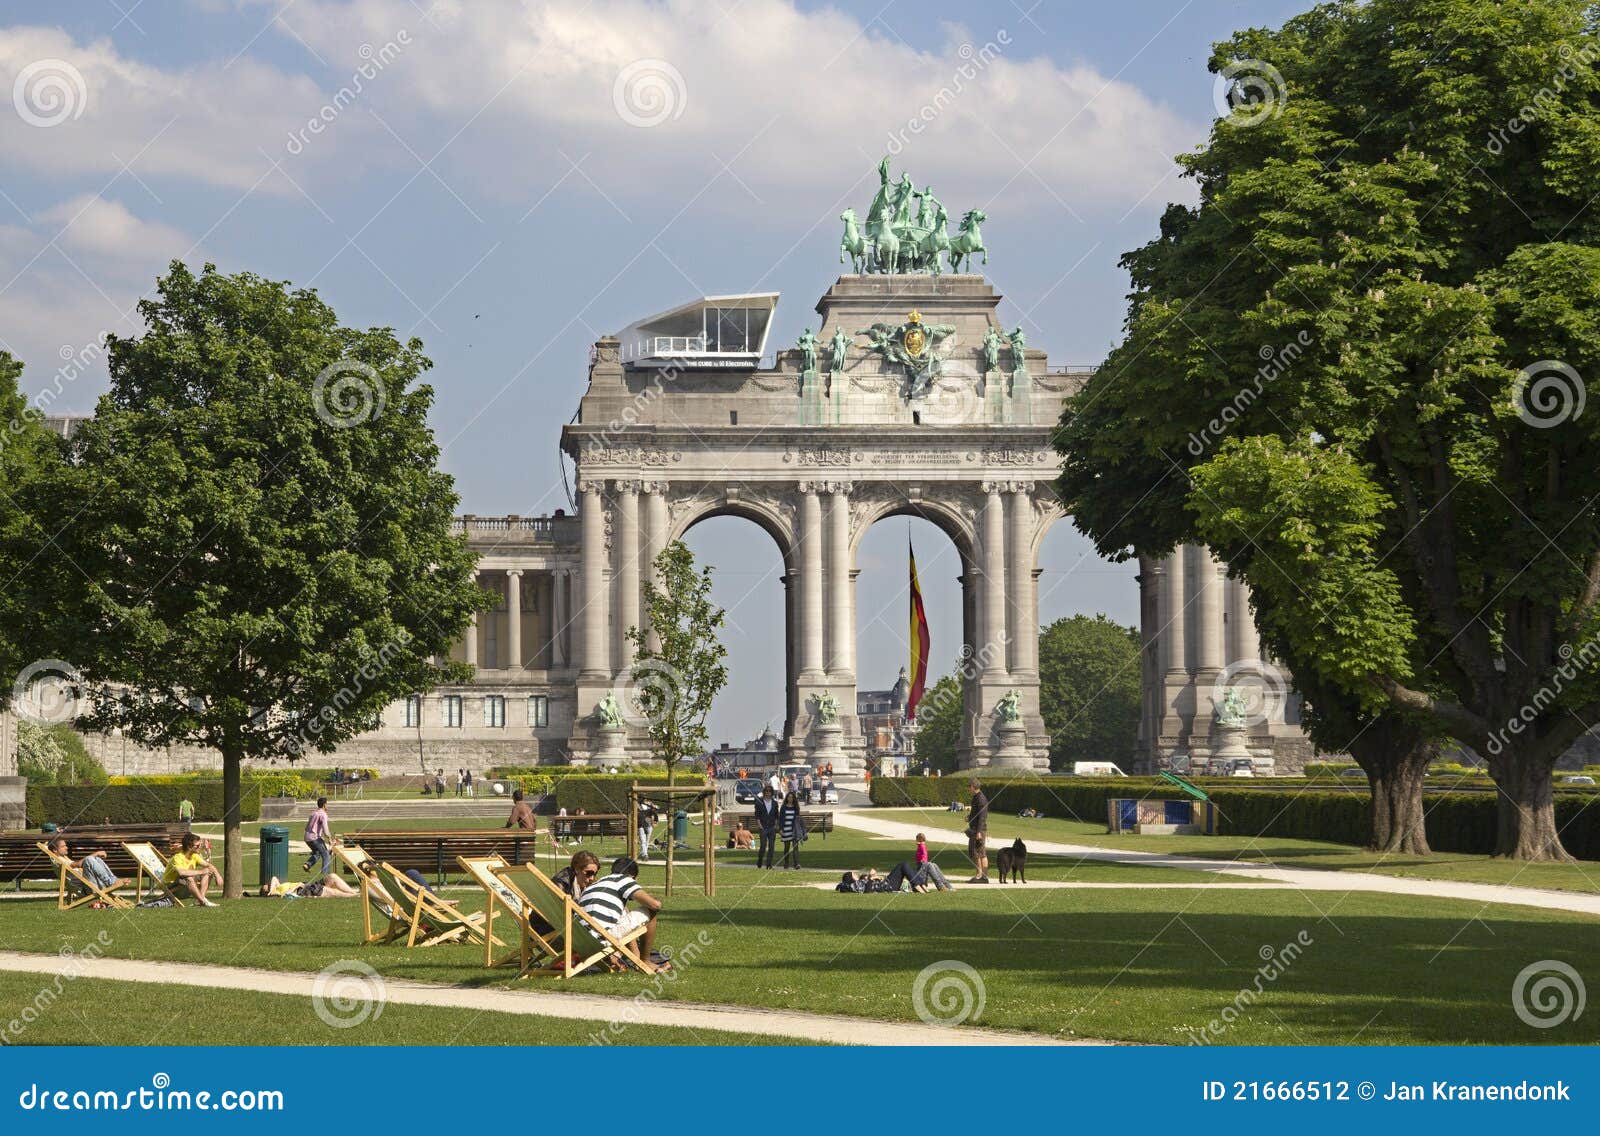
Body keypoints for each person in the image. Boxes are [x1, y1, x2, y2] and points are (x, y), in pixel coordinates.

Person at [580, 856, 662, 965]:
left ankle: (635, 958)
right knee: (651, 911)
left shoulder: (595, 884)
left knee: (623, 911)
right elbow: (655, 905)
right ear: (633, 876)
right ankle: (646, 961)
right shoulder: (624, 879)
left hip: (581, 938)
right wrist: (657, 901)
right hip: (601, 938)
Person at [50, 837, 122, 899]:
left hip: (89, 885)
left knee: (96, 859)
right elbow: (77, 865)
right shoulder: (58, 861)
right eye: (63, 846)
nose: (66, 848)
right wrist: (96, 853)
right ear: (55, 850)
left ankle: (112, 880)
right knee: (89, 859)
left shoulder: (64, 858)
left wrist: (95, 856)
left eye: (65, 845)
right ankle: (110, 882)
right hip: (86, 889)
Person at [164, 832, 222, 905]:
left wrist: (217, 875)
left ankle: (200, 900)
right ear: (189, 847)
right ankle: (203, 902)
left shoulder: (194, 856)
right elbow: (181, 873)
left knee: (207, 873)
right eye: (197, 845)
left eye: (200, 844)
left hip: (185, 885)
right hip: (172, 887)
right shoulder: (178, 857)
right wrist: (201, 871)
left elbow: (209, 865)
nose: (200, 847)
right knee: (189, 877)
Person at [259, 873, 359, 899]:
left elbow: (274, 878)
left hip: (307, 885)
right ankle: (357, 896)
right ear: (266, 892)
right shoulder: (276, 894)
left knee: (332, 877)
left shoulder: (277, 887)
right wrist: (295, 886)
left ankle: (353, 893)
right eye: (266, 887)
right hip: (302, 891)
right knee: (332, 892)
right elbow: (287, 894)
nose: (267, 885)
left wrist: (271, 888)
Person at [965, 779, 989, 883]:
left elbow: (982, 817)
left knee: (979, 853)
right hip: (975, 828)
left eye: (969, 787)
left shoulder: (981, 799)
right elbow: (976, 815)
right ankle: (981, 876)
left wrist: (979, 832)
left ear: (973, 787)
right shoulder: (976, 797)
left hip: (979, 830)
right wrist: (969, 817)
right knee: (978, 853)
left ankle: (981, 876)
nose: (968, 789)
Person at [302, 796, 332, 876]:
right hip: (314, 838)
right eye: (327, 804)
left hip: (307, 837)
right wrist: (329, 838)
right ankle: (325, 875)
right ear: (324, 805)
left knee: (317, 852)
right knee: (326, 854)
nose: (328, 806)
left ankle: (307, 864)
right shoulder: (323, 814)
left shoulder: (313, 813)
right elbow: (325, 828)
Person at [752, 784, 780, 869]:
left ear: (772, 793)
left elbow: (776, 815)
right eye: (766, 791)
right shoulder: (759, 802)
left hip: (771, 827)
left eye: (770, 791)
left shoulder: (774, 803)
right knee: (763, 846)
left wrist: (775, 825)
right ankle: (760, 860)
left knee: (771, 846)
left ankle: (769, 864)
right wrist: (759, 825)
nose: (768, 793)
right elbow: (757, 815)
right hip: (763, 827)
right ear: (764, 792)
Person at [778, 790, 803, 869]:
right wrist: (781, 829)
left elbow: (798, 819)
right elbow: (781, 819)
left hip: (794, 830)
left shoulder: (796, 807)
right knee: (787, 847)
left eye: (792, 797)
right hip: (786, 829)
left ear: (794, 798)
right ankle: (786, 863)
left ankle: (796, 864)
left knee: (795, 847)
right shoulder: (783, 807)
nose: (790, 799)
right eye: (789, 797)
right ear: (787, 798)